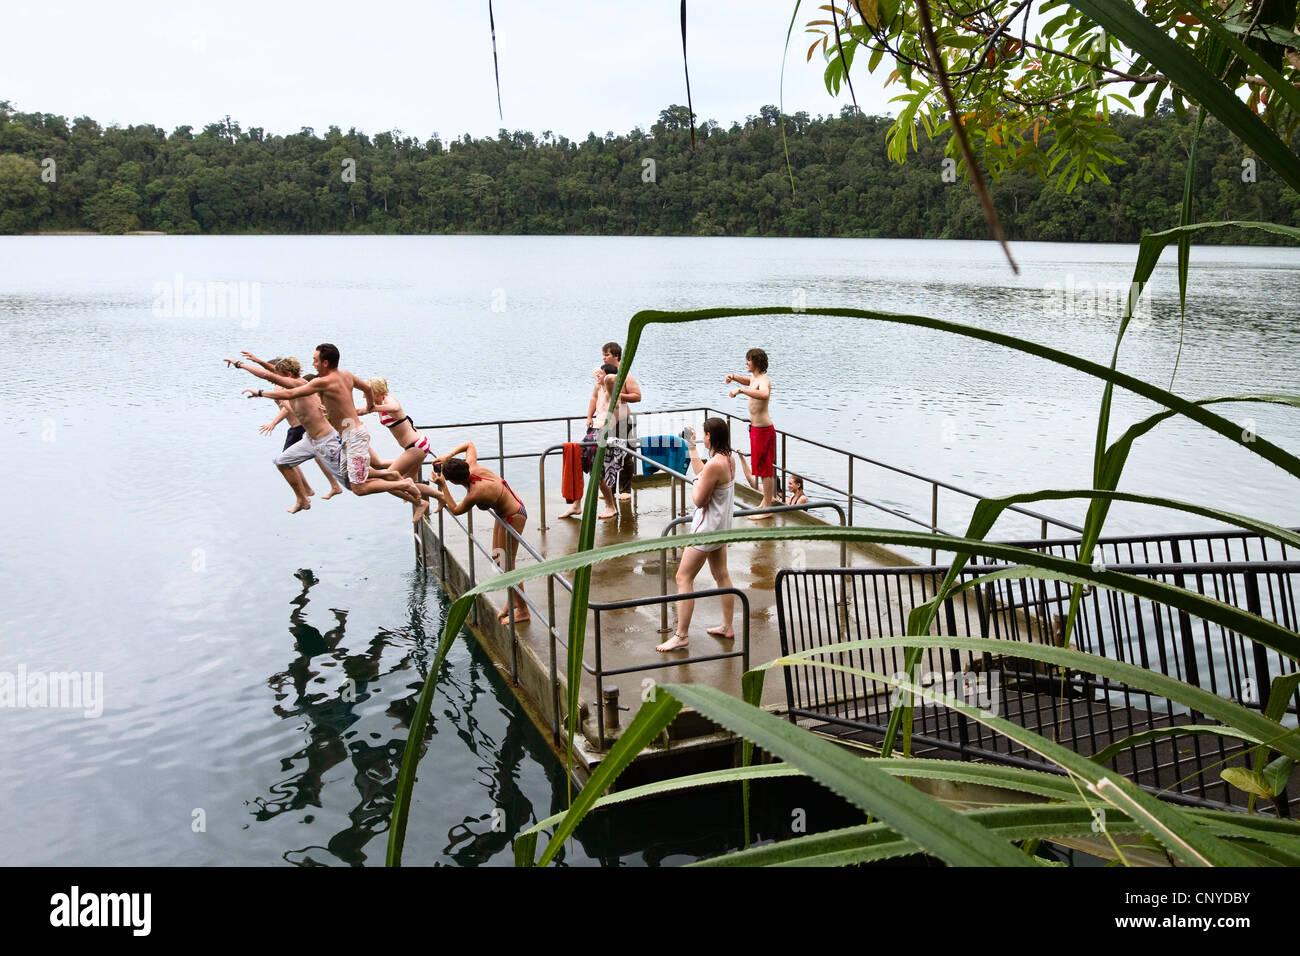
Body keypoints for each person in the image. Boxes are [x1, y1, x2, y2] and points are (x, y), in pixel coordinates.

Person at [241, 343, 428, 522]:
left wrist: (259, 392)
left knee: (358, 488)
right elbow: (368, 388)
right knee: (355, 477)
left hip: (353, 436)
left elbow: (288, 393)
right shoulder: (345, 374)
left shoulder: (322, 383)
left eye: (315, 360)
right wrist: (371, 405)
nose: (313, 364)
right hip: (349, 433)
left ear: (325, 363)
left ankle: (404, 484)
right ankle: (393, 477)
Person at [227, 353, 345, 513]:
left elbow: (268, 375)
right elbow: (270, 373)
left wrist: (240, 364)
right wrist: (258, 361)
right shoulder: (295, 383)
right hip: (310, 437)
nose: (276, 378)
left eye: (279, 375)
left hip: (324, 438)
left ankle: (389, 478)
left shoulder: (296, 385)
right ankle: (303, 498)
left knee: (355, 484)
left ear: (288, 374)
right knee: (282, 461)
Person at [656, 418, 736, 653]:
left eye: (703, 434)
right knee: (721, 574)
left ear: (710, 436)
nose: (703, 437)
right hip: (721, 527)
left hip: (706, 530)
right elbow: (705, 473)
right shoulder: (728, 459)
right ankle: (727, 626)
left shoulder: (715, 464)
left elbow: (699, 499)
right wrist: (691, 447)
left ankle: (681, 635)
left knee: (683, 578)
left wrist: (694, 484)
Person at [429, 442, 530, 623]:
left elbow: (456, 509)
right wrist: (447, 457)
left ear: (455, 481)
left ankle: (523, 611)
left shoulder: (476, 492)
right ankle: (513, 600)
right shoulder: (472, 467)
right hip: (504, 515)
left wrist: (443, 486)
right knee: (498, 559)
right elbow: (469, 445)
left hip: (515, 516)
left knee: (508, 565)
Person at [562, 363, 618, 520]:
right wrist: (588, 417)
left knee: (598, 473)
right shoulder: (599, 386)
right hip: (594, 431)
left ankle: (610, 506)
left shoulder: (612, 389)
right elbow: (593, 396)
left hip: (605, 433)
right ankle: (576, 504)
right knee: (577, 461)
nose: (598, 376)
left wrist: (605, 376)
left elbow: (612, 378)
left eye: (602, 374)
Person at [727, 347, 776, 519]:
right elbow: (749, 381)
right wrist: (734, 377)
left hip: (764, 430)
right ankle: (765, 503)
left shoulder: (764, 380)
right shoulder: (755, 378)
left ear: (756, 362)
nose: (746, 363)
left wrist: (739, 391)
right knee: (760, 469)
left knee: (765, 470)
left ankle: (768, 508)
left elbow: (763, 393)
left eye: (748, 360)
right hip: (756, 429)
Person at [359, 377, 435, 481]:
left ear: (376, 393)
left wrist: (373, 409)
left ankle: (438, 496)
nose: (364, 396)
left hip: (416, 446)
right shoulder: (378, 403)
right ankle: (432, 497)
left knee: (388, 479)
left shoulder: (388, 399)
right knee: (410, 483)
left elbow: (395, 407)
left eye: (366, 393)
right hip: (415, 446)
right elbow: (360, 411)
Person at [601, 342, 641, 500]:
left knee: (626, 455)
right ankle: (609, 490)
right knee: (608, 455)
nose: (604, 357)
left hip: (623, 420)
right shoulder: (603, 375)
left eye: (607, 354)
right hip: (607, 422)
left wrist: (618, 395)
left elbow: (637, 396)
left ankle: (625, 490)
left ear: (616, 356)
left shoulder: (626, 375)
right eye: (603, 354)